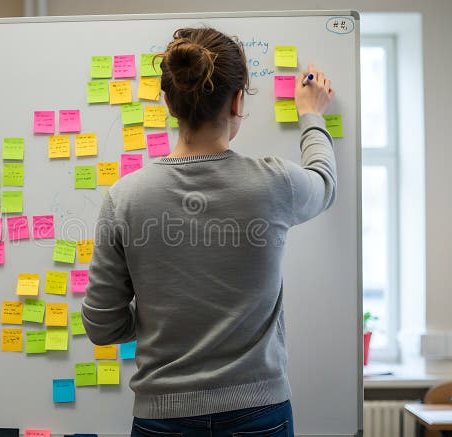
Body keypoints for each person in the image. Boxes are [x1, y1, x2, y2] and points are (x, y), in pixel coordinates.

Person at [81, 27, 336, 437]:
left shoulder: (124, 197)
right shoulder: (275, 183)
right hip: (259, 414)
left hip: (161, 417)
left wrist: (159, 317)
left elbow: (101, 326)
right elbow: (324, 182)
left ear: (169, 102)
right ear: (237, 100)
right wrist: (311, 114)